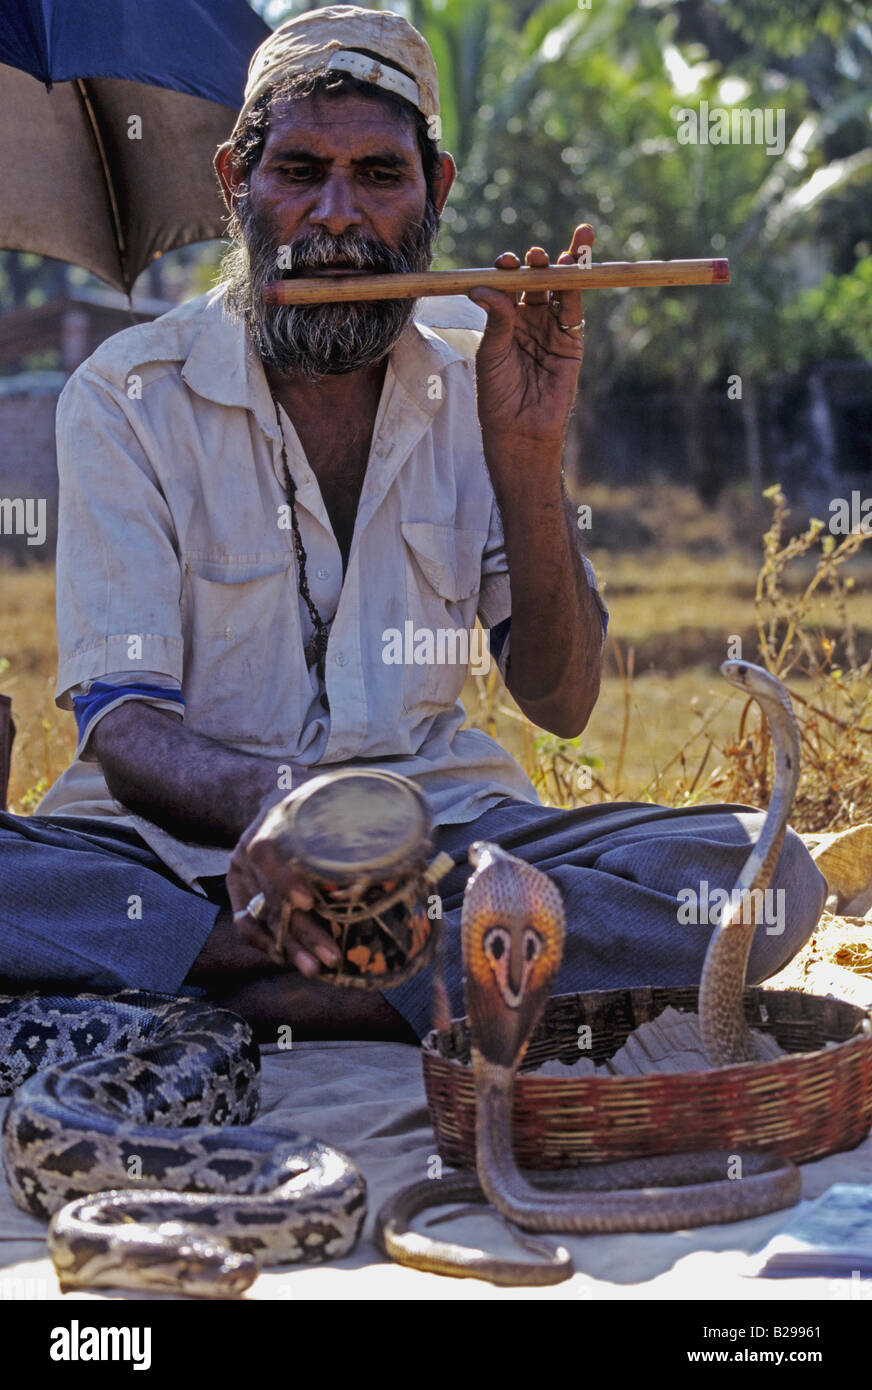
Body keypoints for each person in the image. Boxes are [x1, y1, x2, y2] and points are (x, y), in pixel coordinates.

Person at [0, 6, 825, 1040]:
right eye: (297, 171)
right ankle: (387, 976)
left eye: (378, 177)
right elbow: (122, 733)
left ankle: (242, 979)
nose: (335, 217)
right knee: (23, 880)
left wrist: (525, 453)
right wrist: (296, 808)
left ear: (430, 192)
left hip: (439, 842)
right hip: (174, 855)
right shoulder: (123, 395)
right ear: (234, 185)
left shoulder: (470, 380)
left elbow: (561, 700)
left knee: (767, 878)